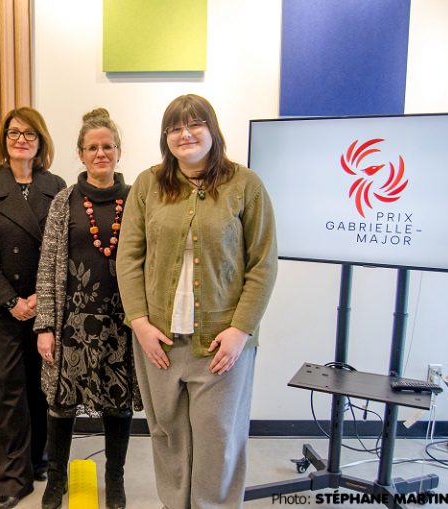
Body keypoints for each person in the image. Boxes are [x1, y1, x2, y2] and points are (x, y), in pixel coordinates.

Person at [117, 94, 278, 509]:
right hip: (159, 338)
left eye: (194, 124)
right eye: (174, 127)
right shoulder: (148, 185)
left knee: (218, 438)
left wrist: (241, 331)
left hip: (222, 342)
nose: (184, 134)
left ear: (212, 129)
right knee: (167, 434)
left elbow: (263, 264)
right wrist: (139, 323)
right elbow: (128, 258)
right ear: (165, 137)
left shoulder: (245, 185)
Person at [34, 108, 140, 509]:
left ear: (119, 152)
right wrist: (45, 326)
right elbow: (47, 267)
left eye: (107, 146)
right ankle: (55, 479)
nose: (101, 153)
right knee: (61, 405)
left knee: (118, 406)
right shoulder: (64, 201)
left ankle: (115, 480)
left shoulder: (137, 199)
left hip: (121, 323)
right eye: (92, 147)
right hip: (71, 325)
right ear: (80, 154)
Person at [0, 107, 66, 509]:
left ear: (41, 141)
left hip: (45, 304)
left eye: (29, 133)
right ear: (3, 140)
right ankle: (11, 478)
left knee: (43, 384)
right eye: (13, 133)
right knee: (10, 387)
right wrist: (10, 300)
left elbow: (61, 248)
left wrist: (40, 298)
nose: (21, 139)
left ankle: (38, 459)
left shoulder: (56, 186)